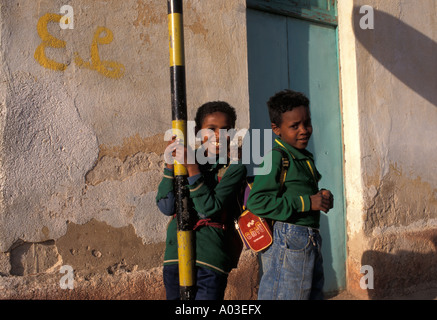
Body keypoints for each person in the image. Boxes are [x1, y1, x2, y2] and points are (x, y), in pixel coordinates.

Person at [246, 89, 334, 300]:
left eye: (307, 123)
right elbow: (257, 202)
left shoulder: (302, 156)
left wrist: (322, 197)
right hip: (289, 239)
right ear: (277, 129)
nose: (304, 130)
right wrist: (306, 202)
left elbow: (303, 192)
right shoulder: (275, 158)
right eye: (294, 126)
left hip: (309, 238)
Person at [156, 101, 247, 300]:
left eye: (225, 130)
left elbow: (208, 209)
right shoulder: (186, 159)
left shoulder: (234, 167)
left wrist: (192, 168)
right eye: (211, 129)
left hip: (210, 258)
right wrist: (171, 166)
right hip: (176, 255)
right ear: (198, 131)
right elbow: (167, 205)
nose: (218, 136)